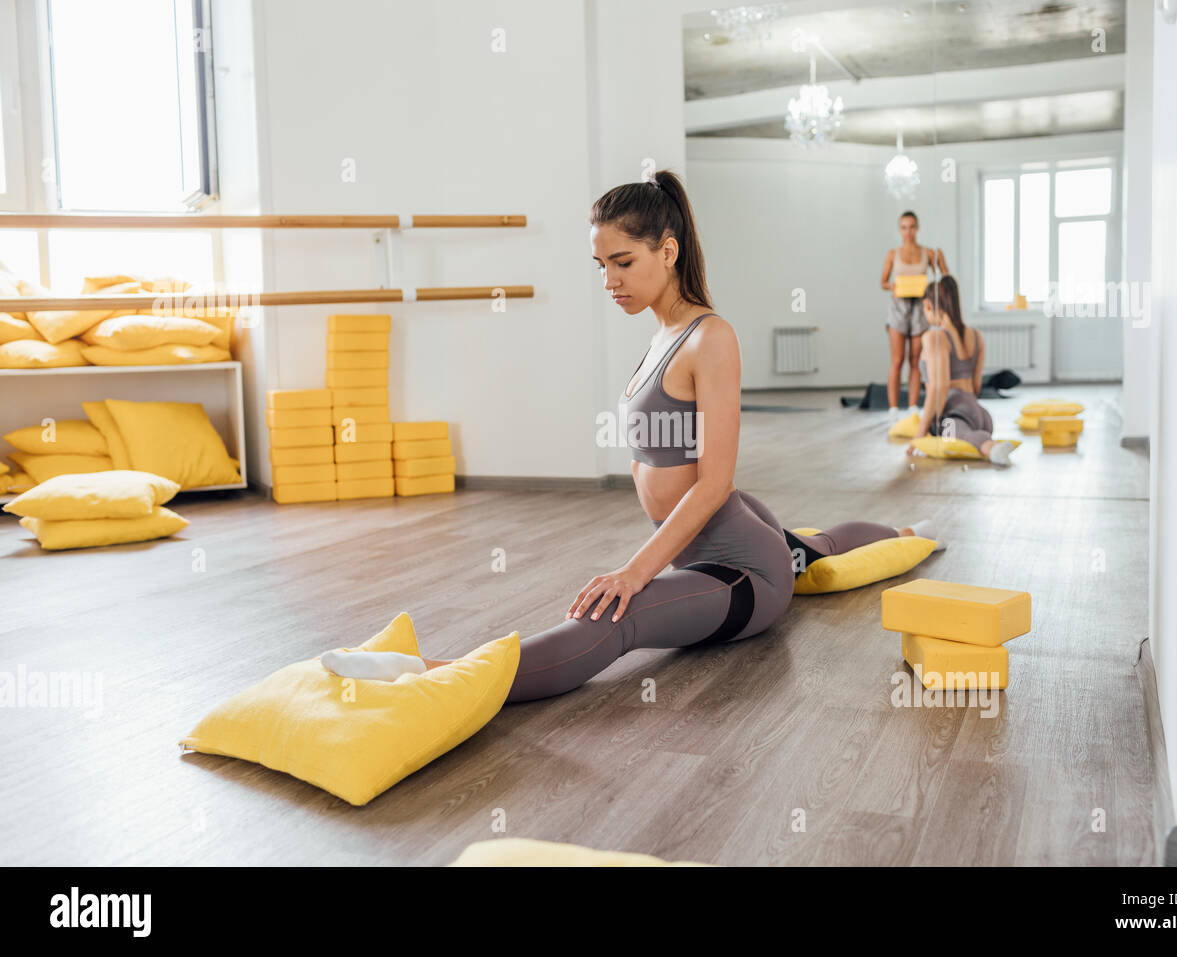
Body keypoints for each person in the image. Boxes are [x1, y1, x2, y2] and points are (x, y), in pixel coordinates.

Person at [321, 170, 942, 701]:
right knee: (815, 542)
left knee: (617, 616)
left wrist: (634, 573)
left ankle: (437, 675)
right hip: (721, 534)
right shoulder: (659, 337)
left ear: (667, 252)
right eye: (601, 265)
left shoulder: (710, 338)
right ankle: (903, 535)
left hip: (743, 571)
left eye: (623, 262)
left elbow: (715, 481)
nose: (609, 280)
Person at [912, 275, 1017, 467]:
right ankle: (983, 438)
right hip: (980, 414)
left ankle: (992, 449)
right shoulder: (976, 336)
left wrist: (918, 436)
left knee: (951, 433)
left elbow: (939, 387)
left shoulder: (934, 337)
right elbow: (976, 386)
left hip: (955, 413)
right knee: (961, 428)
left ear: (927, 305)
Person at [879, 211, 948, 418]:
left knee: (916, 359)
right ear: (899, 230)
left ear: (917, 228)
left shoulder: (928, 253)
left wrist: (939, 270)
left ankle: (912, 407)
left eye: (911, 227)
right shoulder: (893, 254)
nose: (908, 231)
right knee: (897, 359)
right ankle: (892, 409)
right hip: (899, 308)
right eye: (904, 227)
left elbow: (945, 277)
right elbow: (882, 282)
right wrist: (890, 285)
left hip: (920, 307)